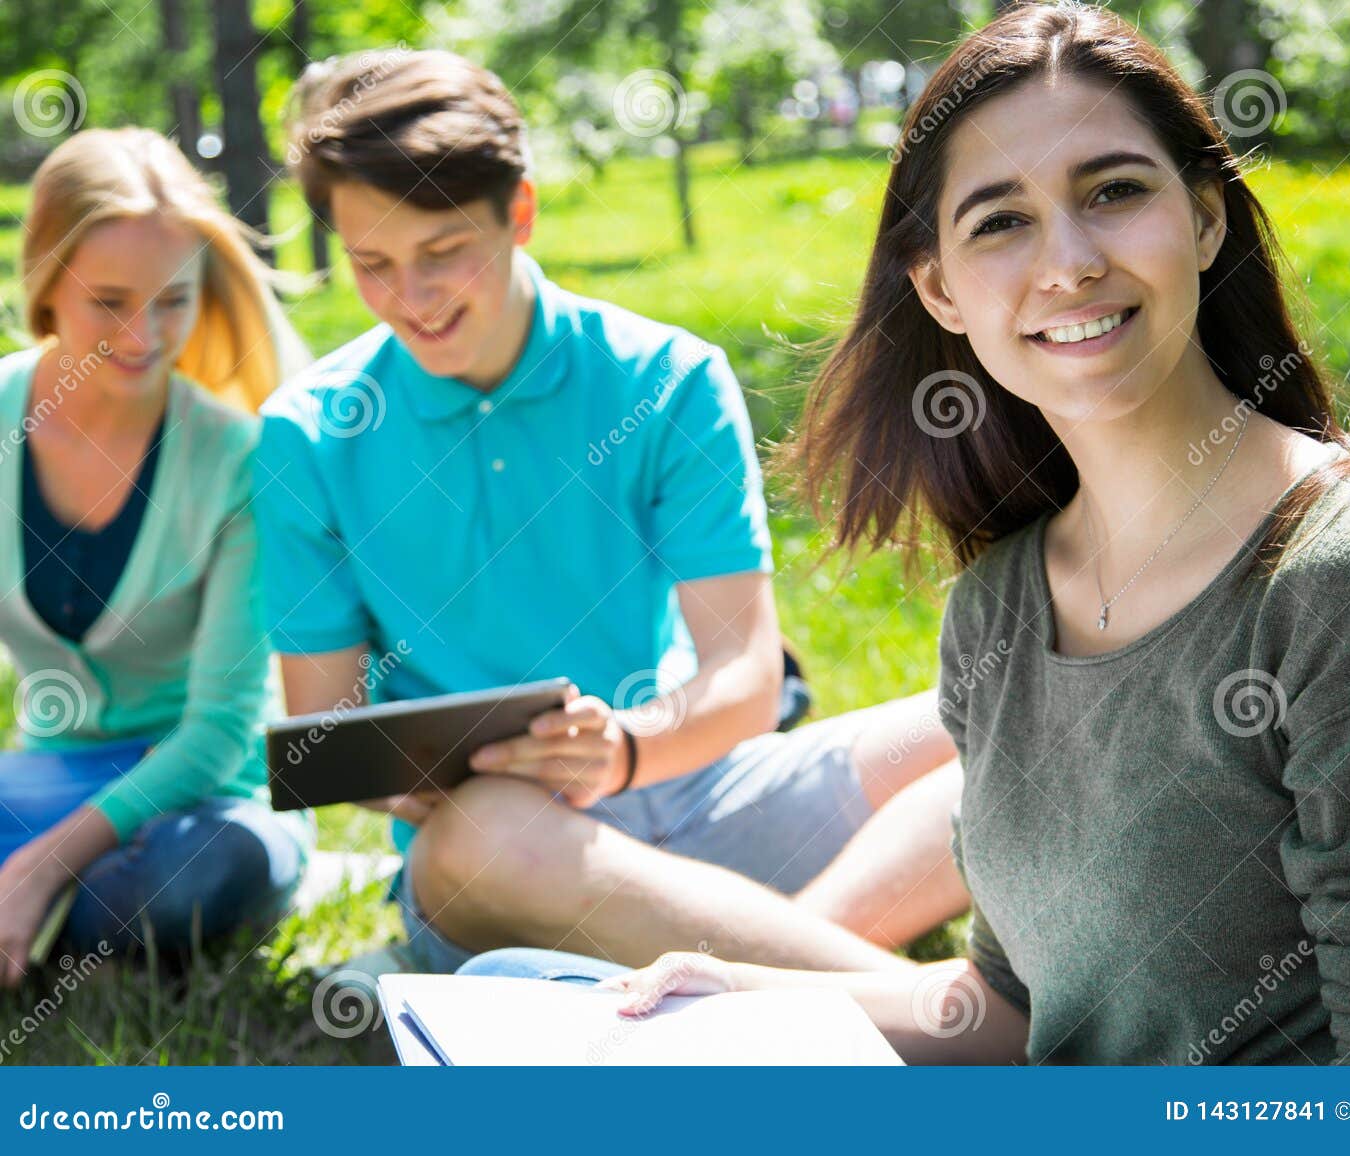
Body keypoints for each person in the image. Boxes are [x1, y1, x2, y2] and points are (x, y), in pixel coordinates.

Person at [462, 3, 1350, 1065]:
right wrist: (736, 992)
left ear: (1204, 219)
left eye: (1113, 192)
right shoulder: (1003, 601)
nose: (1066, 262)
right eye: (1000, 221)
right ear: (937, 287)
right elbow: (1014, 1007)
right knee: (507, 990)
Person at [259, 49, 965, 976]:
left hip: (695, 786)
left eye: (442, 254)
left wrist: (623, 752)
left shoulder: (665, 379)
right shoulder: (309, 435)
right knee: (478, 842)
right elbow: (326, 735)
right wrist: (414, 787)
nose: (413, 300)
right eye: (372, 265)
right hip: (509, 851)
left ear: (519, 211)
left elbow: (745, 680)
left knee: (994, 727)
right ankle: (921, 1014)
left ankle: (733, 974)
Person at [0, 129, 313, 985]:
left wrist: (40, 866)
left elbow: (216, 736)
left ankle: (51, 915)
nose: (144, 335)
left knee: (201, 877)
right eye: (109, 301)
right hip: (47, 778)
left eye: (173, 301)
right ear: (46, 286)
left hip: (201, 801)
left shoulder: (238, 462)